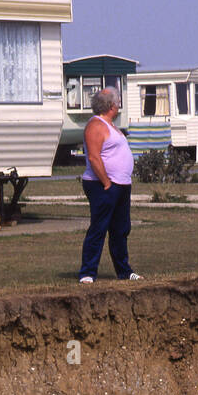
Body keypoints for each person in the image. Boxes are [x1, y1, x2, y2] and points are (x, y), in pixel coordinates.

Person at [78, 87, 140, 283]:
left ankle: (124, 271)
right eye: (118, 101)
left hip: (121, 185)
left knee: (121, 229)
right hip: (103, 185)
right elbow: (94, 158)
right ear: (112, 105)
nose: (119, 104)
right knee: (99, 228)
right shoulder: (95, 126)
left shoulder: (111, 125)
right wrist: (106, 182)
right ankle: (88, 273)